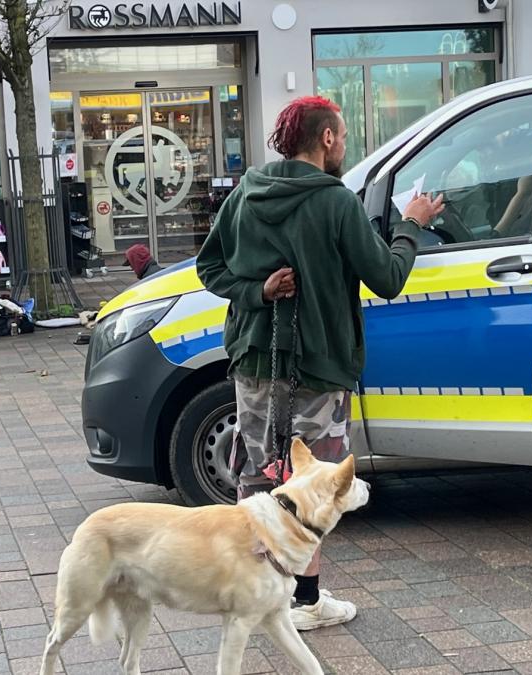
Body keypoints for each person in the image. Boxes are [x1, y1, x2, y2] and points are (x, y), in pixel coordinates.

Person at [196, 95, 443, 630]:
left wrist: (257, 291)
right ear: (327, 138)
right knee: (318, 483)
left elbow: (208, 268)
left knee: (259, 478)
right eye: (344, 136)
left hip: (255, 360)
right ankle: (306, 602)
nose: (344, 145)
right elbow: (387, 277)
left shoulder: (245, 194)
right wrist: (411, 225)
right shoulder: (337, 202)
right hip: (320, 365)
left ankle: (259, 596)